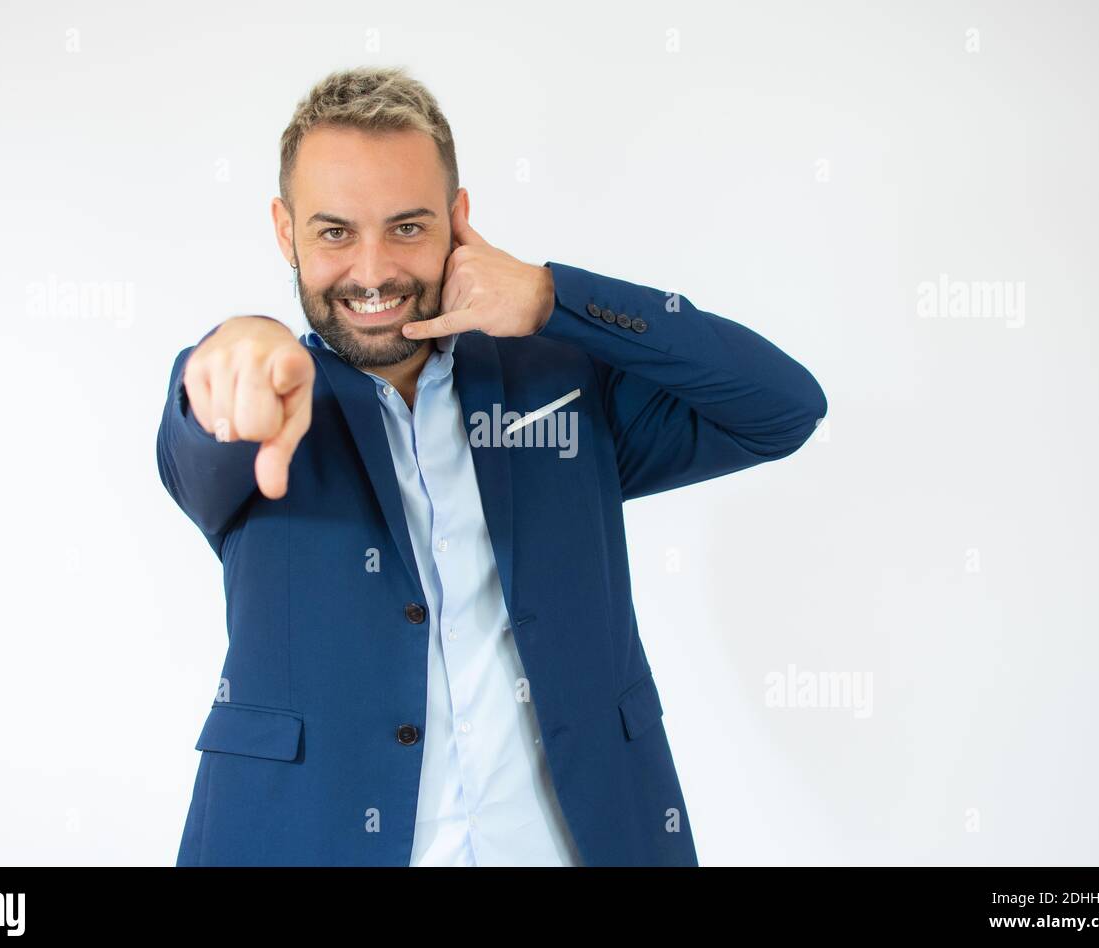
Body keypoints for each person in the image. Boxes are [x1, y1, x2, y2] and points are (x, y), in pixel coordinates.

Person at [157, 66, 827, 866]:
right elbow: (202, 434)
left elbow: (782, 406)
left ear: (458, 219)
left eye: (406, 227)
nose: (372, 272)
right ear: (285, 231)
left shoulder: (562, 384)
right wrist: (239, 342)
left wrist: (554, 297)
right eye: (334, 232)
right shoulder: (257, 409)